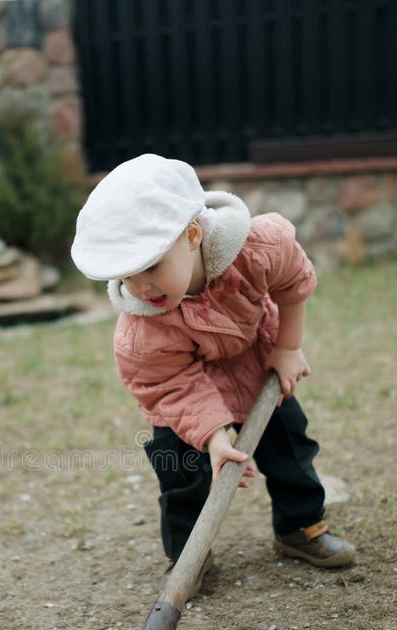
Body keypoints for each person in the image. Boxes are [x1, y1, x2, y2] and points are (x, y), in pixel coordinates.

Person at [71, 153, 355, 575]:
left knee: (289, 444)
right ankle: (190, 553)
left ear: (191, 235)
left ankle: (300, 526)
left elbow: (294, 281)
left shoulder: (256, 249)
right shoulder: (141, 331)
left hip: (258, 364)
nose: (141, 285)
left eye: (151, 265)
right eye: (127, 274)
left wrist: (288, 347)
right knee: (180, 466)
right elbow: (169, 385)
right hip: (186, 393)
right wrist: (212, 436)